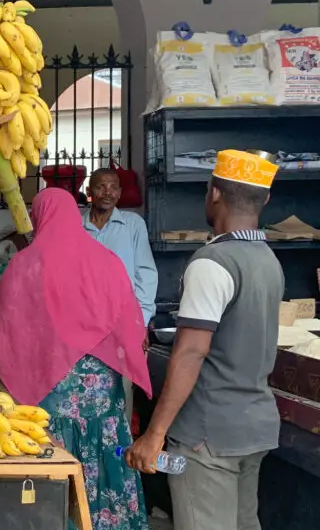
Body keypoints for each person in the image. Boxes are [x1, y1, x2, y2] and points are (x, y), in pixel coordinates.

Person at [126, 150, 283, 530]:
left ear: (214, 193)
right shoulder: (268, 260)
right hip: (254, 427)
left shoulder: (213, 263)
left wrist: (154, 435)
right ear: (265, 199)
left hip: (207, 438)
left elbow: (192, 351)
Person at [0, 188, 152, 530]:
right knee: (103, 454)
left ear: (40, 217)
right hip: (101, 391)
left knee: (54, 460)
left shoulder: (24, 265)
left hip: (50, 390)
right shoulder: (106, 261)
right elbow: (130, 324)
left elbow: (7, 328)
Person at [83, 168, 158, 417]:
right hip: (83, 322)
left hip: (122, 321)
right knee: (85, 389)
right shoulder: (75, 226)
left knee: (121, 391)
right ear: (89, 191)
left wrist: (141, 322)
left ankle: (119, 449)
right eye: (101, 186)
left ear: (120, 192)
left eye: (113, 187)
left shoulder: (133, 225)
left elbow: (145, 275)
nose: (108, 192)